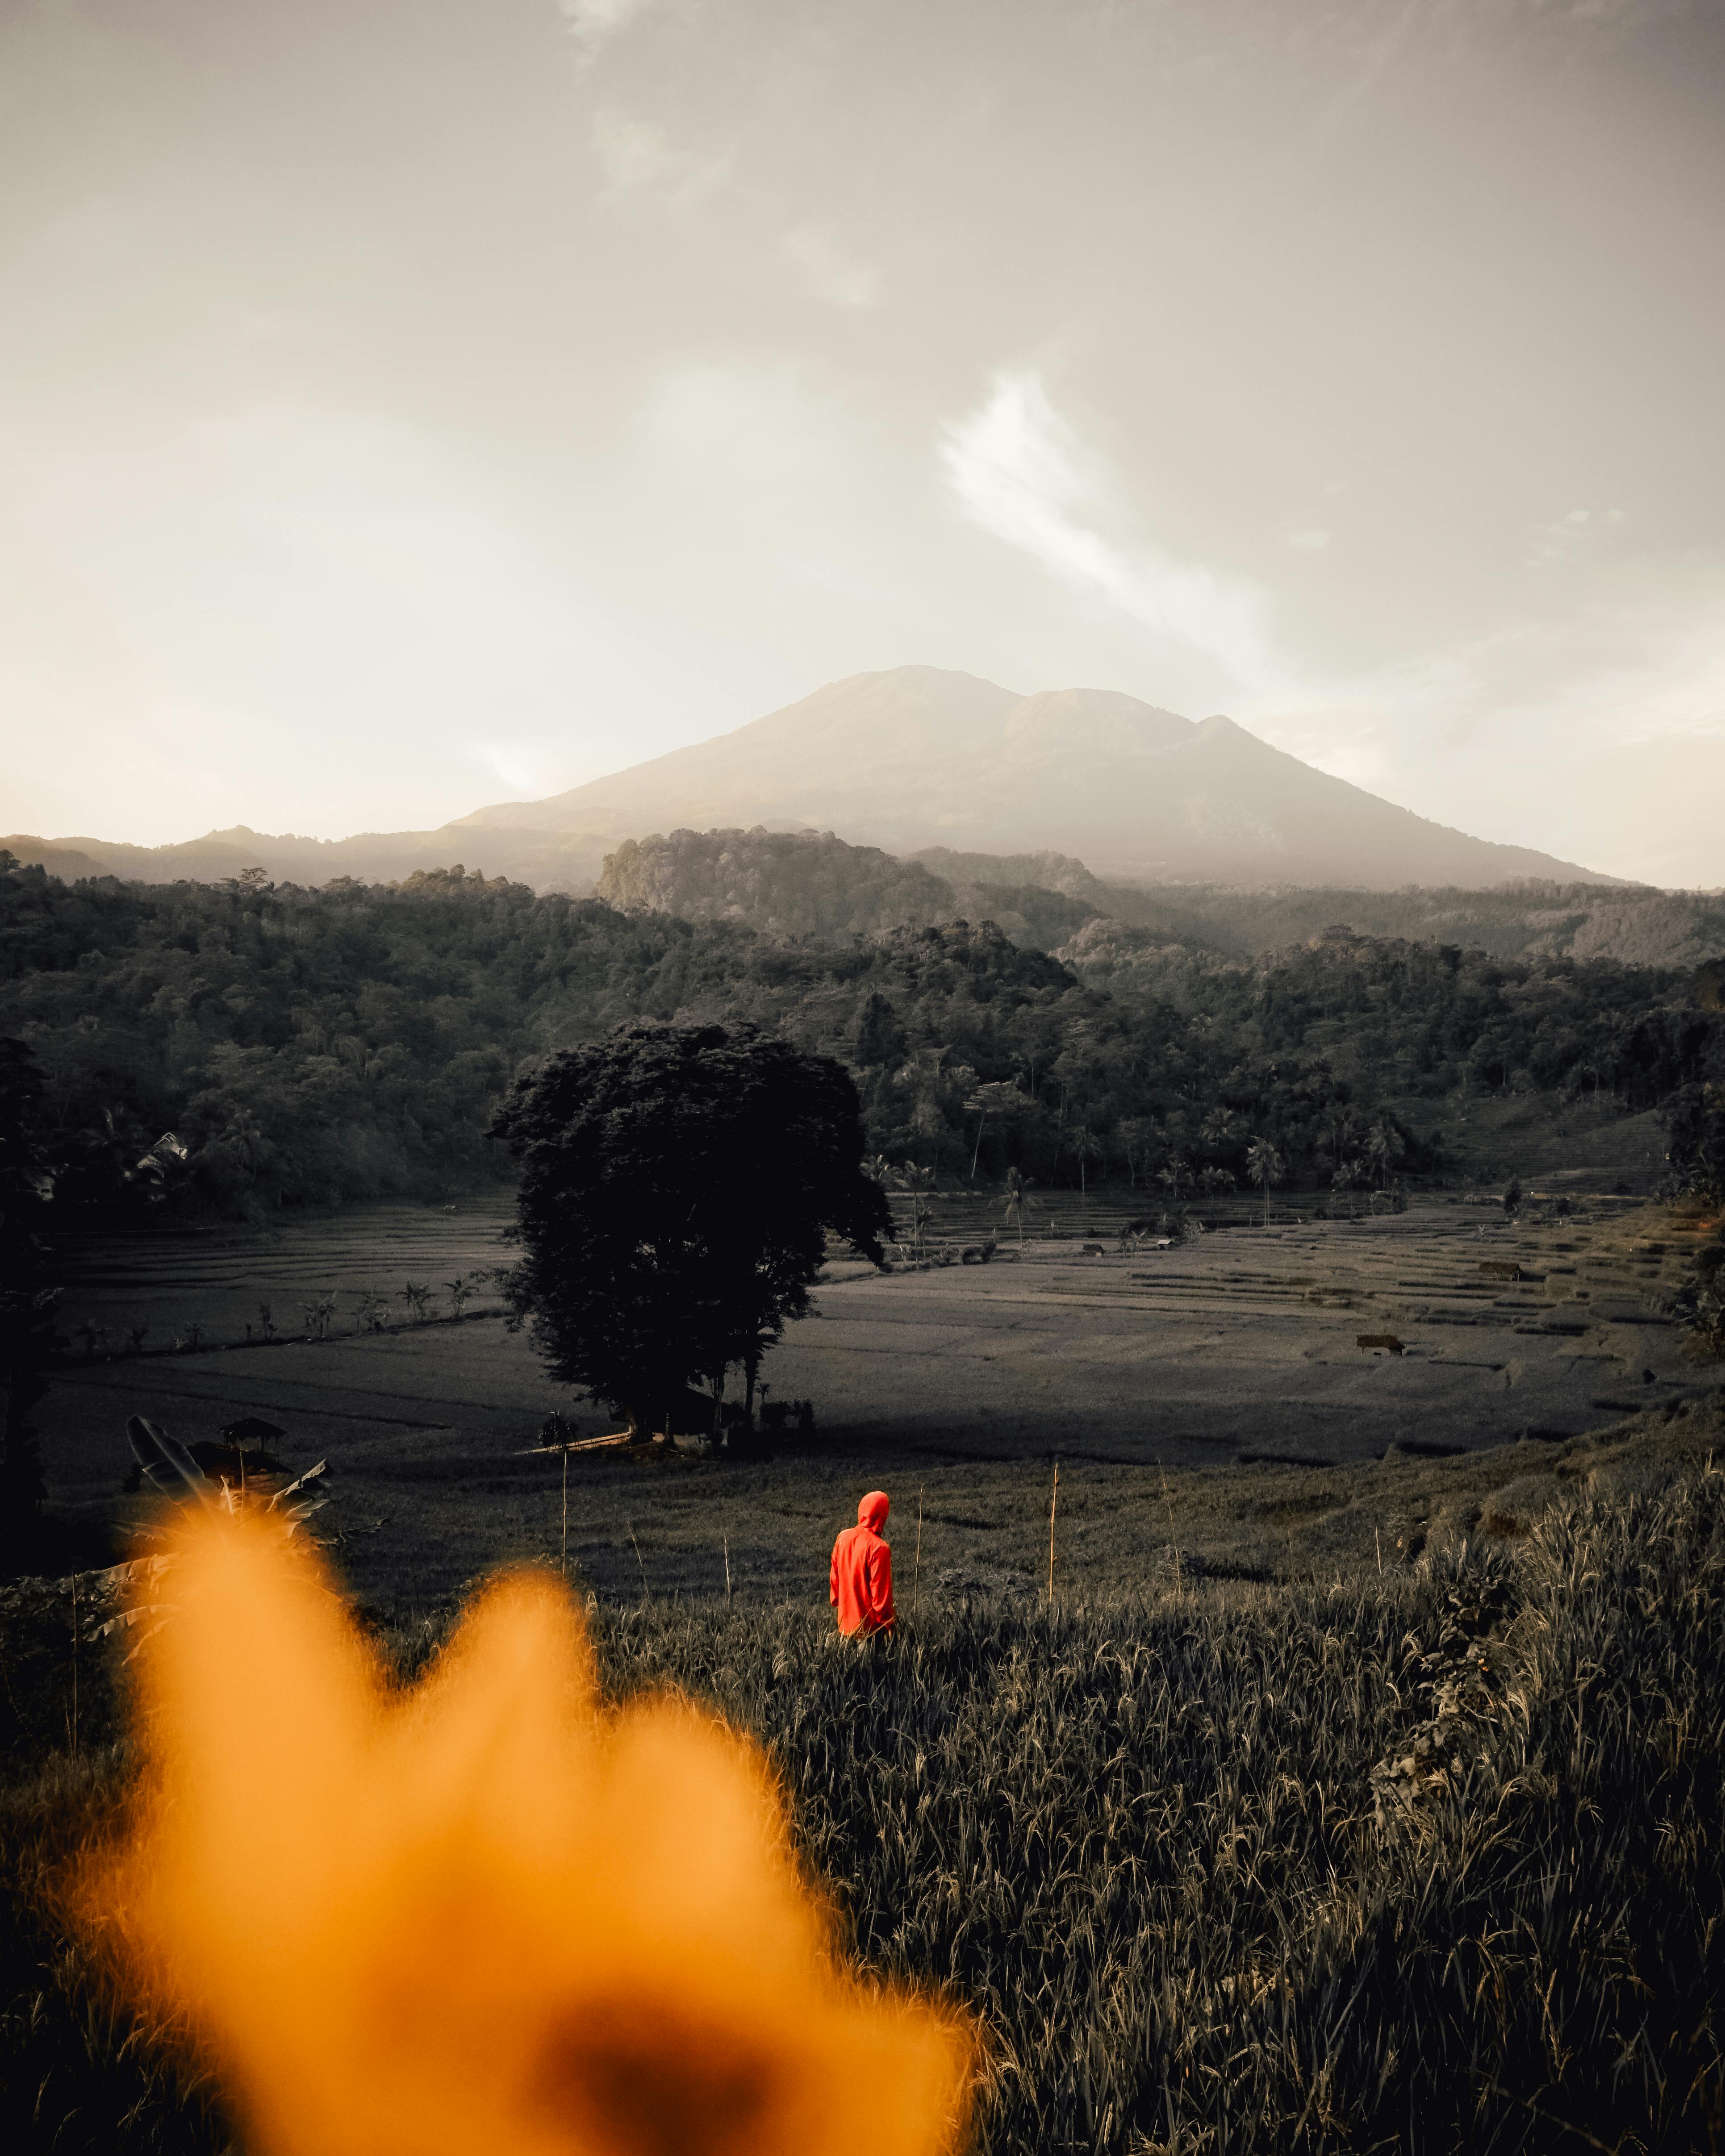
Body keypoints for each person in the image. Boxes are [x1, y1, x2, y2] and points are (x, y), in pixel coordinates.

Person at [829, 1489, 896, 1637]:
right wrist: (889, 1624)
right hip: (870, 1630)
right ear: (883, 1515)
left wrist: (838, 1601)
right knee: (871, 1661)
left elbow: (835, 1577)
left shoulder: (843, 1537)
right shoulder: (879, 1548)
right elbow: (881, 1594)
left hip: (844, 1626)